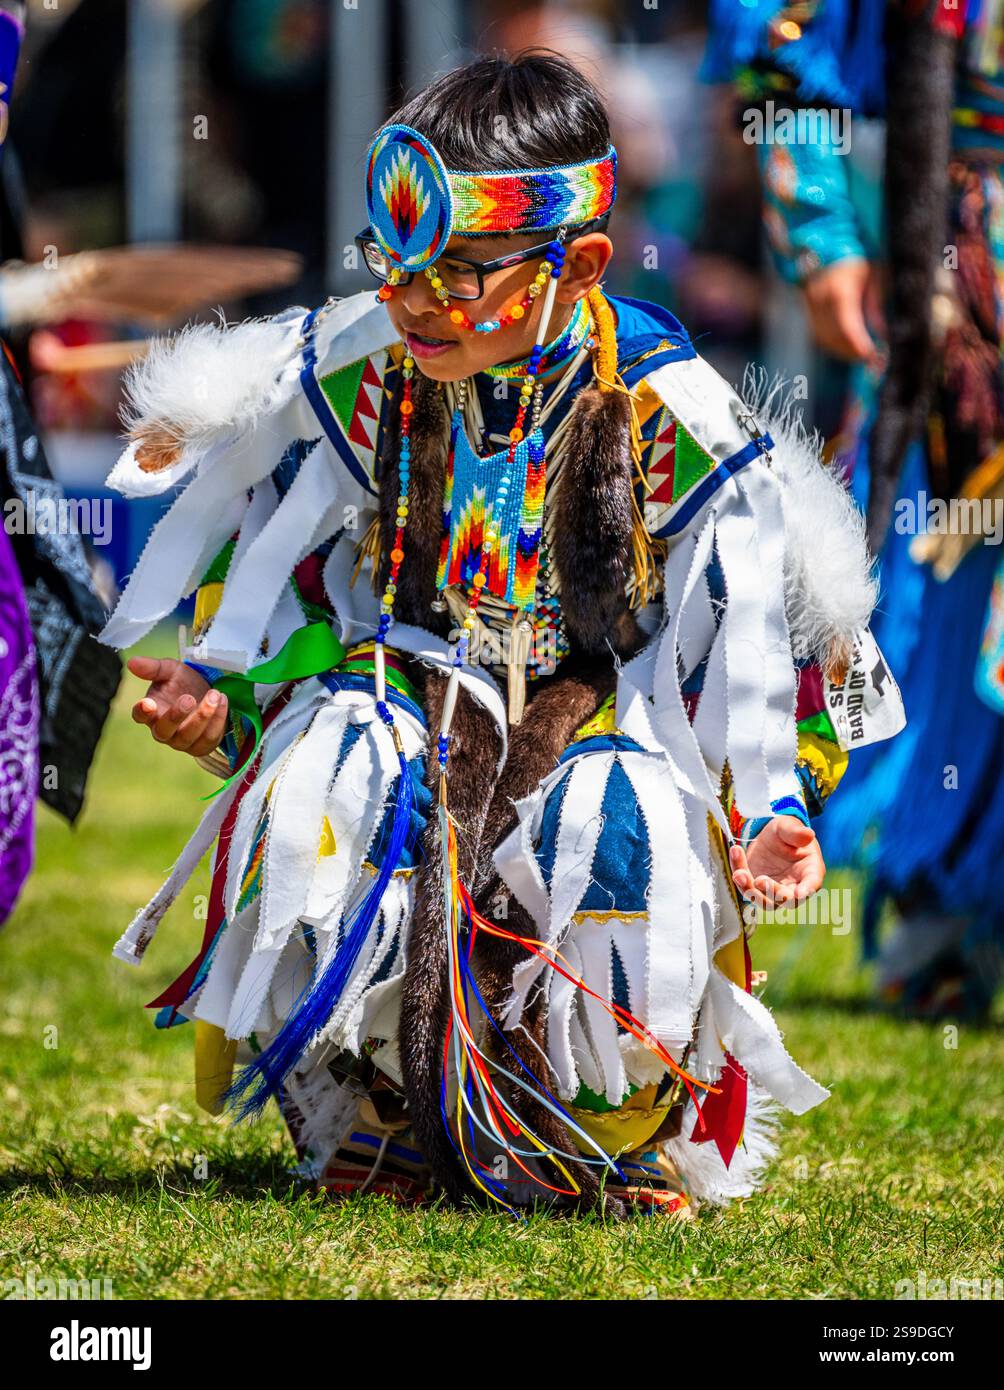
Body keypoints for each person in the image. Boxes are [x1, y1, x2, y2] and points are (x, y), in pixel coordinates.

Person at [100, 53, 899, 1215]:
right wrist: (236, 699)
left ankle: (598, 1129)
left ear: (576, 262)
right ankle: (381, 1109)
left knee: (607, 824)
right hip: (420, 703)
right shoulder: (363, 375)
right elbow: (300, 591)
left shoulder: (669, 414)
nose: (414, 300)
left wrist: (773, 803)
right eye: (393, 266)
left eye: (458, 273)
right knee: (338, 765)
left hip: (608, 723)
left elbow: (773, 636)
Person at [705, 0, 1004, 1019]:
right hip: (966, 266)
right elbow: (784, 26)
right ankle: (943, 907)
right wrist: (822, 223)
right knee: (946, 577)